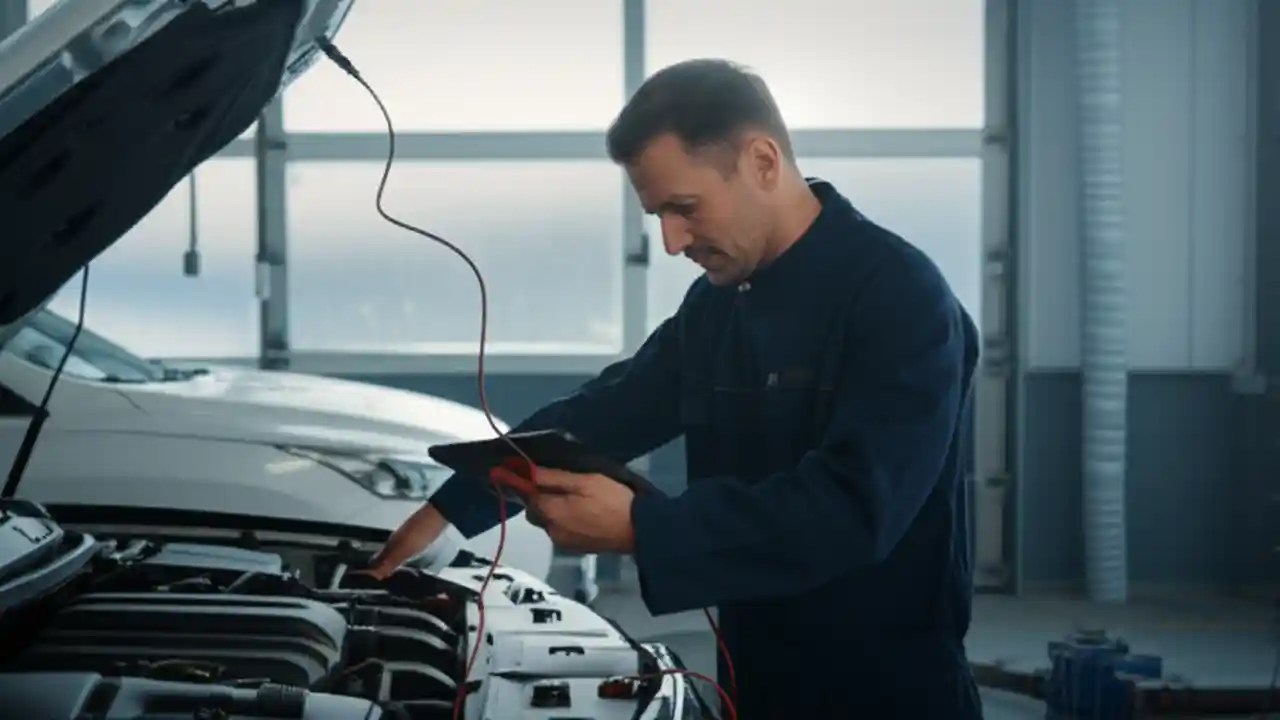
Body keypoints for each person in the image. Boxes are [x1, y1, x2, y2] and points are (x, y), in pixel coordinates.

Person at [368, 58, 983, 719]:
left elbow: (854, 510)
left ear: (763, 163)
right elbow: (609, 411)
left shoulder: (900, 297)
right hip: (756, 666)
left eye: (685, 209)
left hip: (884, 683)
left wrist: (641, 526)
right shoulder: (719, 304)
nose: (670, 241)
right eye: (658, 213)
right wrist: (448, 510)